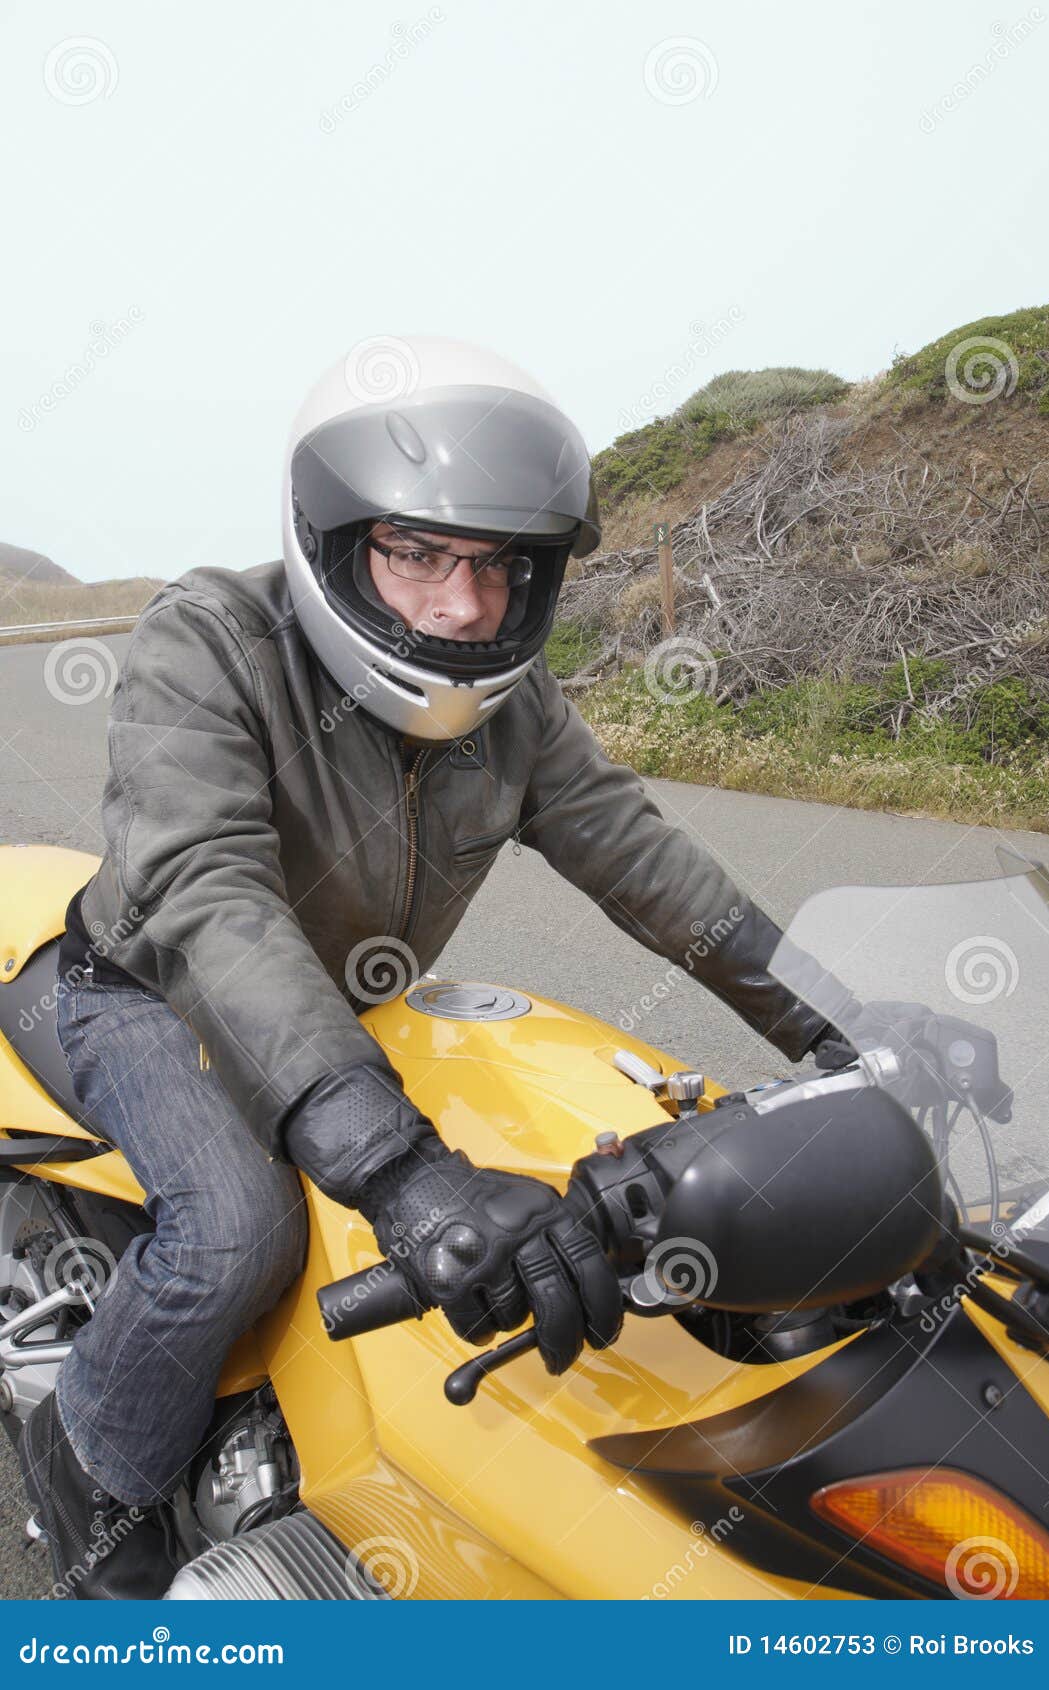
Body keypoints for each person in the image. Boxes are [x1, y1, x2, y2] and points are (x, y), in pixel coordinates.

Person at [21, 336, 832, 1598]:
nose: (463, 608)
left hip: (337, 1012)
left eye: (497, 564)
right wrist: (401, 1173)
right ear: (337, 540)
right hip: (141, 990)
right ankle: (93, 1475)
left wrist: (846, 1025)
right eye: (416, 554)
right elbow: (209, 891)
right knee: (239, 1229)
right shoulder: (212, 637)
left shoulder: (511, 703)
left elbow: (640, 856)